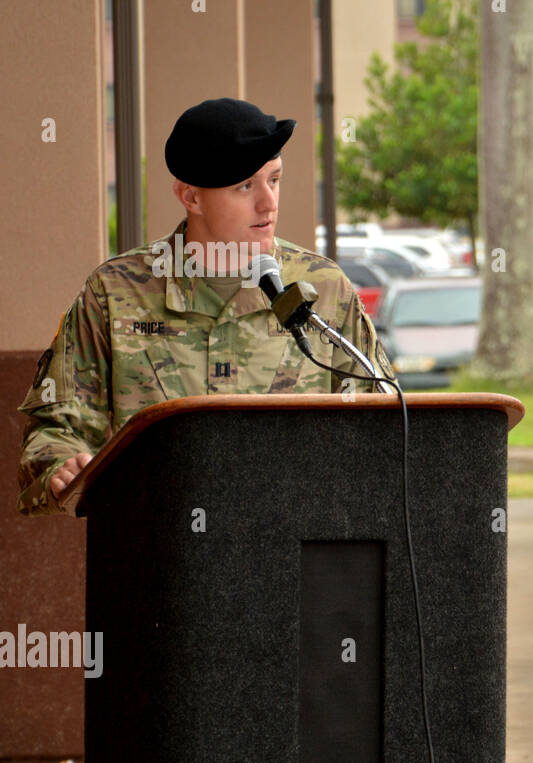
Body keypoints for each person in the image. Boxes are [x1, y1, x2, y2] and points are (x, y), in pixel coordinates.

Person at [16, 98, 395, 517]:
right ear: (190, 196)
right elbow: (57, 424)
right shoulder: (115, 293)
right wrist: (60, 464)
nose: (268, 203)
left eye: (275, 180)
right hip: (158, 549)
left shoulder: (324, 290)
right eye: (245, 186)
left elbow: (382, 424)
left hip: (297, 547)